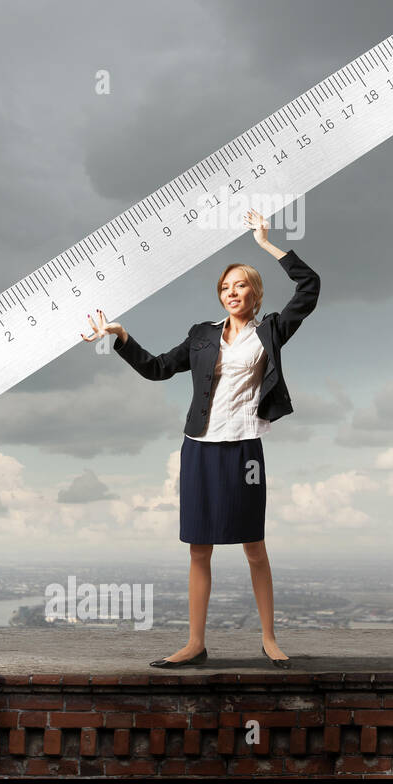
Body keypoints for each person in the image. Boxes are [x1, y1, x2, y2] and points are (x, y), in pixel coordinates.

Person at [81, 209, 320, 669]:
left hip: (245, 447)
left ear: (255, 292)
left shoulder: (271, 329)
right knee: (199, 547)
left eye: (241, 285)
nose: (232, 293)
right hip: (199, 447)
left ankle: (269, 638)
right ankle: (195, 644)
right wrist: (121, 337)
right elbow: (156, 369)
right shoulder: (200, 336)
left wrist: (267, 244)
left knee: (254, 546)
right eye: (225, 288)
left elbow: (310, 286)